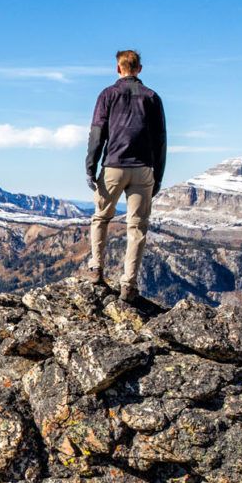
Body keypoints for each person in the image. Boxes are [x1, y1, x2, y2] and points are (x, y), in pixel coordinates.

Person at [83, 49, 167, 303]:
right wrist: (158, 175)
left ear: (118, 68)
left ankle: (96, 269)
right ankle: (128, 284)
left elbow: (97, 133)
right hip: (143, 168)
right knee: (138, 226)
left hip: (113, 166)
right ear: (139, 68)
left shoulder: (107, 95)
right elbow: (161, 141)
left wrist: (91, 165)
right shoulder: (152, 97)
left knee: (100, 217)